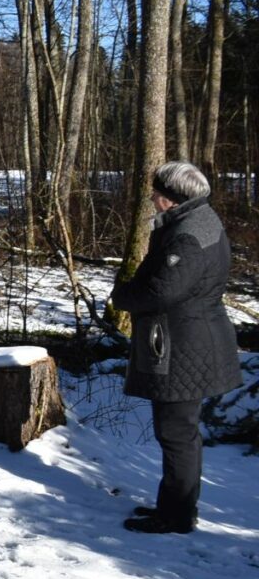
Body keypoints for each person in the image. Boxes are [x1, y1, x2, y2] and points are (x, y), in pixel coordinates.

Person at [111, 161, 241, 535]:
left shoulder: (186, 235)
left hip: (183, 346)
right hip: (194, 338)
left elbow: (162, 291)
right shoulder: (201, 219)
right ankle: (175, 507)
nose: (151, 197)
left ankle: (176, 516)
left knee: (175, 433)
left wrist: (123, 295)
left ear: (170, 199)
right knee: (180, 433)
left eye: (156, 192)